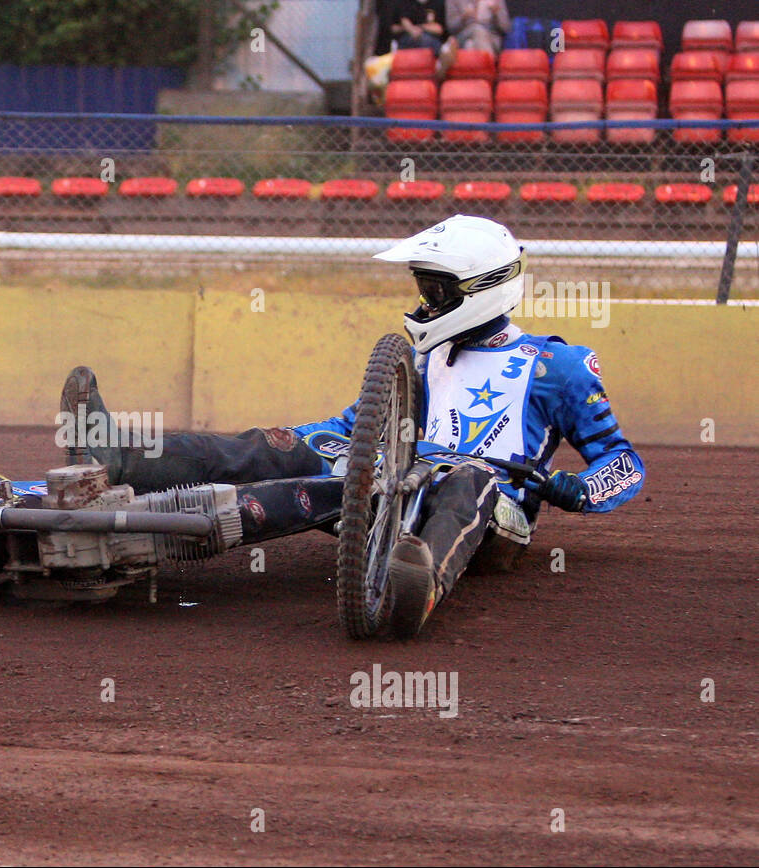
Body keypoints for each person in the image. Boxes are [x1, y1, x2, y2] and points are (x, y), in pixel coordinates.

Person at [60, 216, 645, 637]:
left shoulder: (557, 365)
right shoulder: (421, 357)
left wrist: (581, 490)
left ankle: (416, 582)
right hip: (395, 479)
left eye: (436, 290)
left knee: (466, 481)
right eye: (423, 288)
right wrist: (298, 443)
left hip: (490, 508)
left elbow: (624, 463)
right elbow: (357, 427)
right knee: (277, 447)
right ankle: (121, 456)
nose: (424, 302)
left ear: (481, 289)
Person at [446, 0, 511, 55]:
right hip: (464, 35)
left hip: (491, 38)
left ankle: (485, 65)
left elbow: (506, 27)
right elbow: (451, 27)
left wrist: (496, 13)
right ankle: (490, 66)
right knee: (477, 29)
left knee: (470, 45)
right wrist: (463, 18)